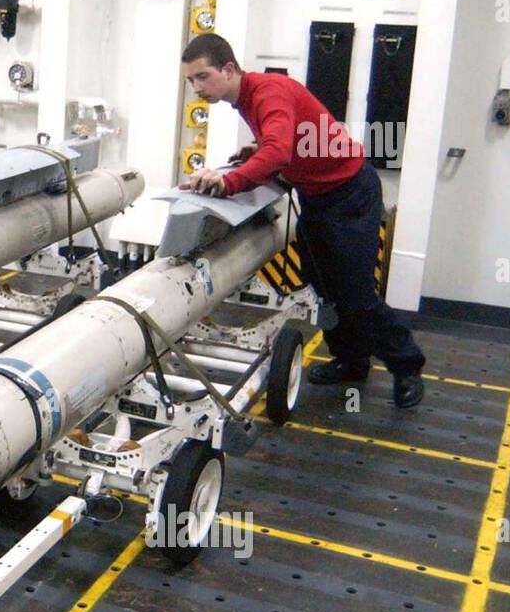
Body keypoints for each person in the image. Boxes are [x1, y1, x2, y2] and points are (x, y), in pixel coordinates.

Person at [179, 33, 425, 408]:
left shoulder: (267, 92)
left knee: (356, 295)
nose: (197, 88)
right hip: (317, 196)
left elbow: (279, 152)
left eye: (202, 77)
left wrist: (228, 181)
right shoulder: (248, 97)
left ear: (228, 69)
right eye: (190, 81)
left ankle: (407, 366)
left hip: (350, 196)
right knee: (324, 286)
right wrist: (257, 149)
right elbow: (286, 140)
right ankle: (351, 360)